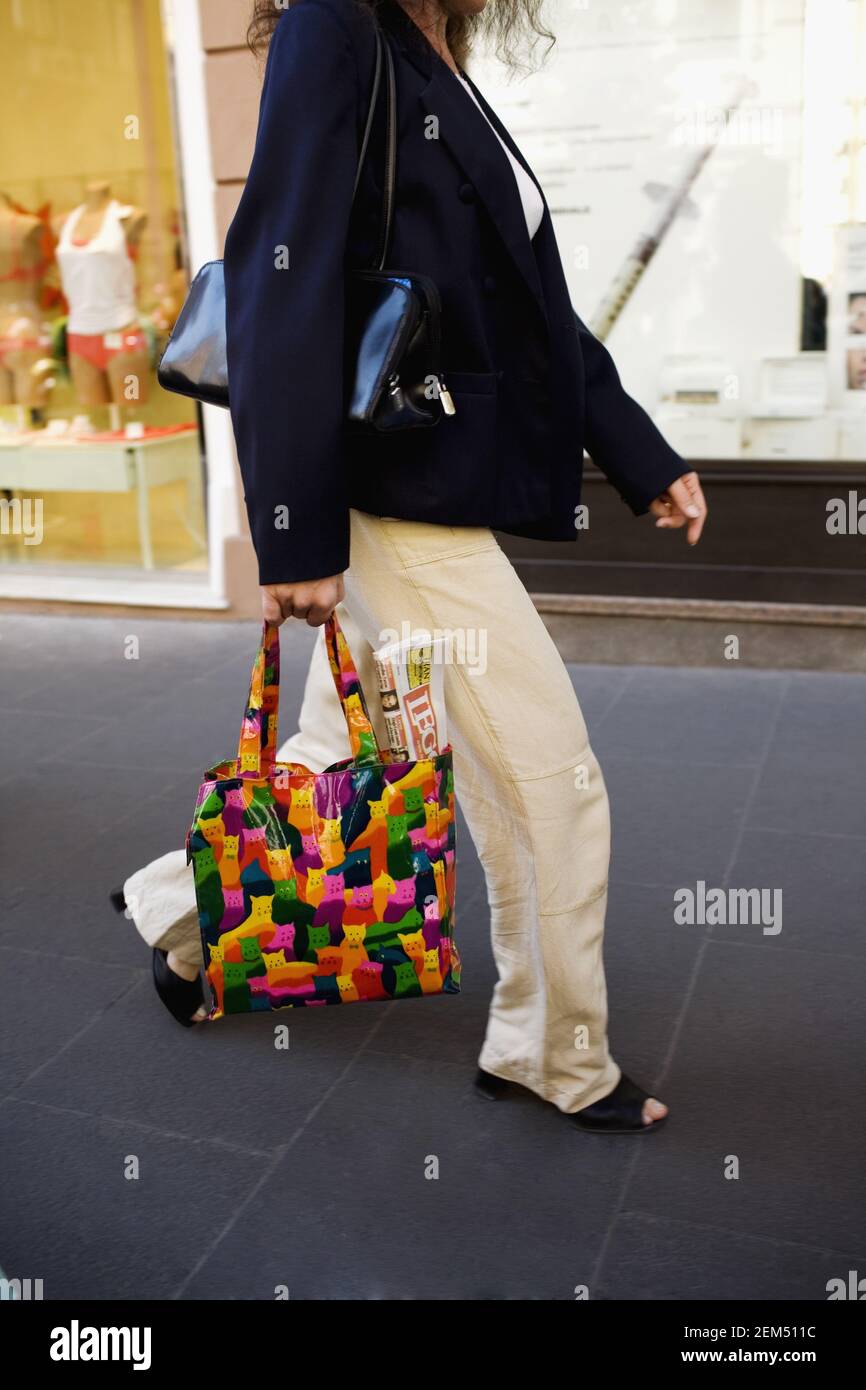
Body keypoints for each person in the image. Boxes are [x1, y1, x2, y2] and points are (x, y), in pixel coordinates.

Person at [117, 0, 707, 1134]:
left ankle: (182, 920)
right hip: (392, 493)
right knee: (548, 777)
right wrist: (291, 525)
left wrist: (637, 454)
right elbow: (282, 268)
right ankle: (549, 1047)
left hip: (434, 476)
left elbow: (535, 314)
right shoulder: (333, 27)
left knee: (353, 748)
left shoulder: (434, 52)